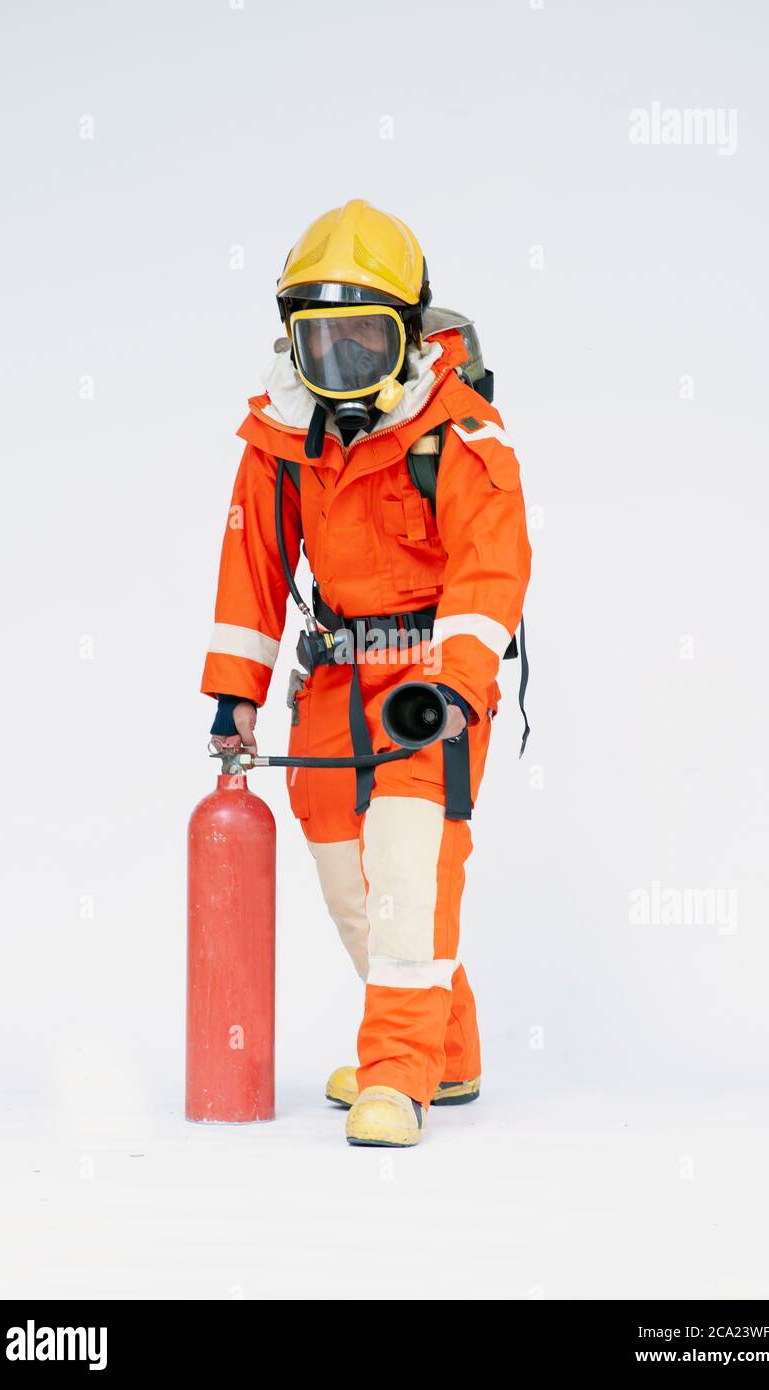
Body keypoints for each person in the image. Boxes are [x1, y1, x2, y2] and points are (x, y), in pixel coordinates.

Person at [203, 199, 531, 1147]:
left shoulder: (462, 435)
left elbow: (491, 571)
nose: (341, 371)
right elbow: (253, 571)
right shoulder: (279, 438)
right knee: (354, 888)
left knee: (405, 873)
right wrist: (236, 693)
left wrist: (458, 685)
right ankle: (449, 1051)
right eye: (322, 346)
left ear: (411, 335)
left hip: (433, 684)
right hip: (336, 685)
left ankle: (397, 1076)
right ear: (291, 345)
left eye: (365, 344)